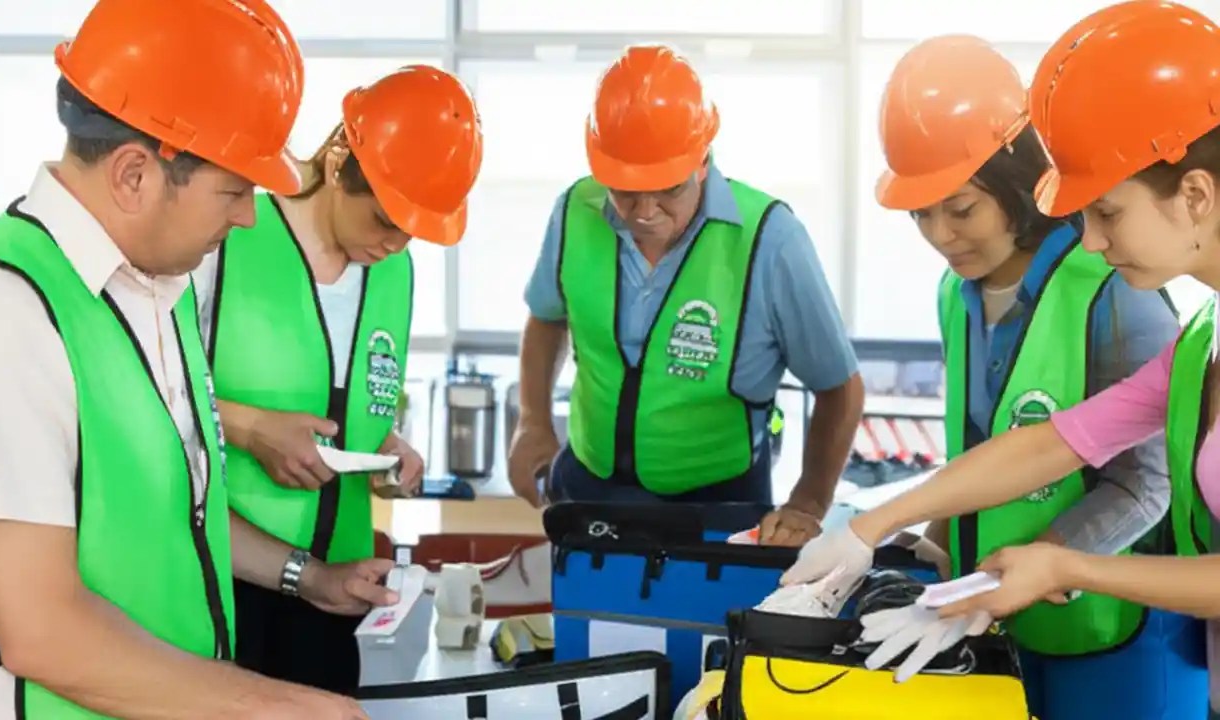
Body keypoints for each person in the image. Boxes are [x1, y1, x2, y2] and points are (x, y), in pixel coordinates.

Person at [0, 2, 387, 718]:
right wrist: (283, 707)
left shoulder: (162, 292)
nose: (247, 218)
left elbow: (180, 516)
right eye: (234, 190)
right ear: (134, 174)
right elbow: (43, 629)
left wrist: (310, 580)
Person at [783, 3, 1220, 717]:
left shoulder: (1131, 302)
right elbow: (1053, 441)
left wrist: (1063, 561)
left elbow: (1136, 486)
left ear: (1194, 194)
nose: (1091, 240)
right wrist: (872, 526)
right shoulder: (1201, 337)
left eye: (1106, 213)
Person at [191, 64, 483, 694]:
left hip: (338, 596)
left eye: (414, 232)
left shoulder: (395, 275)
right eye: (384, 219)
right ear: (338, 159)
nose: (397, 244)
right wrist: (249, 428)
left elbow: (356, 398)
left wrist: (388, 447)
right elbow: (157, 393)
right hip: (222, 581)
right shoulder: (227, 238)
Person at [508, 43, 864, 537]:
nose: (645, 212)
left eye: (669, 189)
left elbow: (839, 387)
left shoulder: (771, 238)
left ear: (703, 161)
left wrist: (808, 503)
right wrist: (533, 420)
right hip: (589, 490)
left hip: (721, 505)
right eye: (626, 189)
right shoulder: (573, 211)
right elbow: (547, 318)